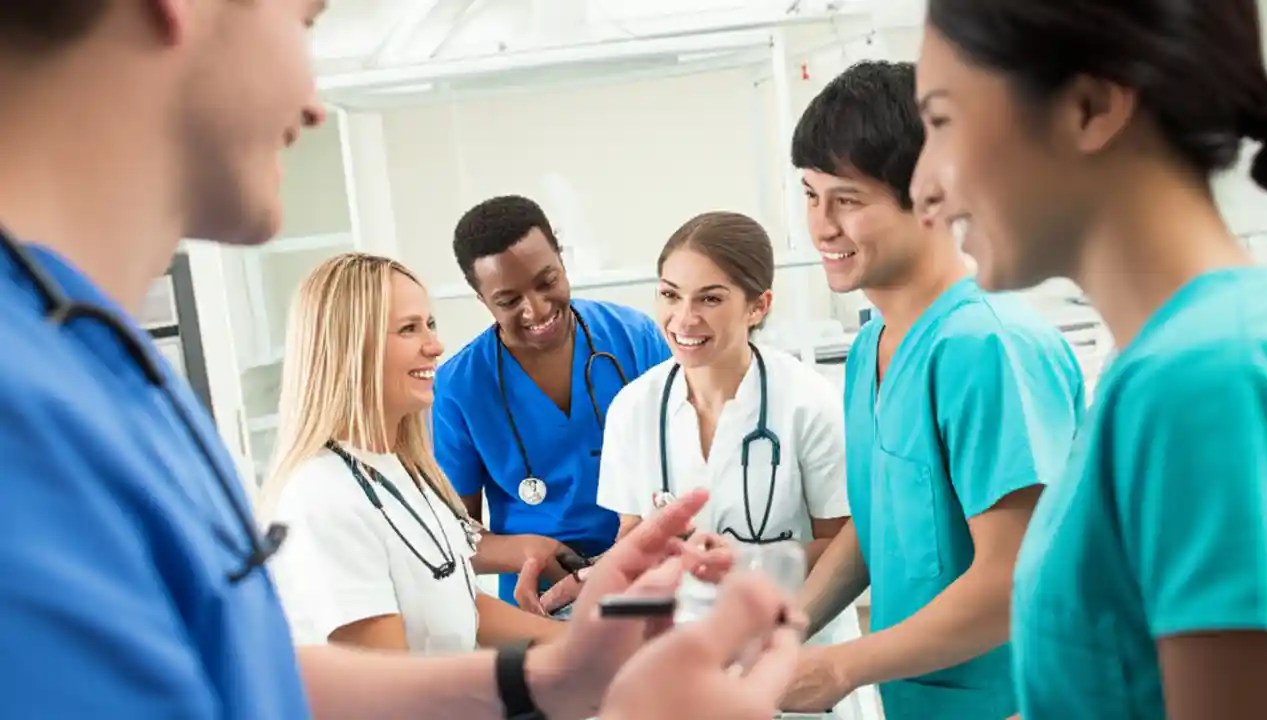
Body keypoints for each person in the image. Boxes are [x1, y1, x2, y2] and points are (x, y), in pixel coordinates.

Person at [0, 1, 801, 717]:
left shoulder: (96, 365)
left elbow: (244, 678)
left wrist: (560, 675)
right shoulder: (30, 419)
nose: (315, 102)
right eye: (305, 22)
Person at [912, 1, 1267, 718]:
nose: (924, 187)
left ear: (1090, 105)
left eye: (941, 121)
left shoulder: (1203, 381)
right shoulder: (1160, 365)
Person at [781, 61, 1086, 719]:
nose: (821, 226)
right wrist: (783, 634)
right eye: (810, 194)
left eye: (848, 200)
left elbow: (1016, 580)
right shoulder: (871, 350)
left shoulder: (986, 349)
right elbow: (883, 526)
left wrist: (839, 666)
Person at [261, 253, 562, 654]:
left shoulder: (404, 472)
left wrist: (584, 643)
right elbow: (387, 686)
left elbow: (458, 602)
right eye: (408, 329)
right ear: (350, 347)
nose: (435, 346)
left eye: (430, 324)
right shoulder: (321, 496)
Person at [433, 194, 672, 608]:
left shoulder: (635, 339)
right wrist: (528, 551)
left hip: (651, 577)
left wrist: (625, 555)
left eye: (547, 282)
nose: (537, 309)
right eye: (509, 301)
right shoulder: (459, 389)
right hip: (543, 603)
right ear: (482, 299)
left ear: (562, 258)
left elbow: (688, 465)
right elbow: (456, 532)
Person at [597, 212, 849, 559]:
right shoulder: (632, 408)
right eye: (671, 295)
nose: (684, 319)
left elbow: (840, 547)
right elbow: (631, 534)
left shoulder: (809, 402)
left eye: (710, 299)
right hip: (683, 613)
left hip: (792, 610)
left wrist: (742, 568)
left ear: (758, 307)